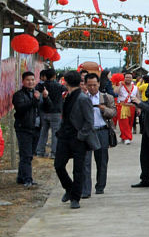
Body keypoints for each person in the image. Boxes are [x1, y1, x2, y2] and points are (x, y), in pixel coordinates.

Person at [54, 71, 93, 208]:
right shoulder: (66, 96)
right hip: (64, 137)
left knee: (78, 169)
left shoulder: (83, 98)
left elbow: (89, 121)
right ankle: (69, 189)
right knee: (58, 165)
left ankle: (75, 198)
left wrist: (80, 136)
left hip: (78, 139)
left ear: (65, 82)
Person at [81, 72, 116, 197]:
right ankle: (86, 189)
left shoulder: (107, 98)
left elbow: (113, 112)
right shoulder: (82, 98)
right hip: (87, 132)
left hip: (102, 131)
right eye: (89, 85)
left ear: (99, 84)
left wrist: (103, 109)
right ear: (85, 85)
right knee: (85, 161)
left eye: (94, 85)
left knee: (101, 160)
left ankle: (100, 186)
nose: (92, 88)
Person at [12, 71, 42, 187]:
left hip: (36, 127)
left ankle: (21, 177)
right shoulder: (18, 95)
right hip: (24, 128)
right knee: (26, 155)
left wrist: (44, 97)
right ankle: (28, 179)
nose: (31, 82)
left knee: (29, 154)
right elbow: (21, 109)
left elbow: (45, 107)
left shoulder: (37, 93)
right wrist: (34, 100)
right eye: (28, 80)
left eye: (32, 80)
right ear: (23, 81)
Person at [37, 68, 64, 157]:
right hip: (56, 113)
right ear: (54, 76)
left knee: (43, 132)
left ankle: (40, 151)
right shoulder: (59, 86)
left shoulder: (41, 86)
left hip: (44, 112)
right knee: (55, 133)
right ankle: (54, 153)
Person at [115, 75, 138, 144]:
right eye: (126, 77)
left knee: (130, 123)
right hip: (122, 106)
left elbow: (138, 97)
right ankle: (127, 137)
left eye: (129, 77)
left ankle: (124, 136)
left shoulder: (136, 87)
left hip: (132, 106)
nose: (128, 79)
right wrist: (119, 85)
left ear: (132, 79)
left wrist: (138, 107)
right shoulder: (120, 86)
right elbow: (115, 92)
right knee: (123, 123)